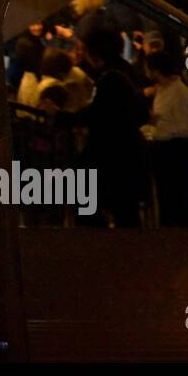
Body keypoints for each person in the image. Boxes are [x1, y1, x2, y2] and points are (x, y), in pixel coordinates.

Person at [40, 26, 150, 227]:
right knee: (126, 213)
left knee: (113, 210)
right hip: (127, 154)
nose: (81, 54)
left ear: (96, 54)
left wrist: (60, 116)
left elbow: (96, 114)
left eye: (85, 50)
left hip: (115, 156)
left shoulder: (111, 78)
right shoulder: (124, 72)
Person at [141, 50, 188, 227]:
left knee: (173, 192)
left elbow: (175, 122)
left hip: (174, 150)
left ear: (156, 71)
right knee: (170, 192)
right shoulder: (165, 88)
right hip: (169, 148)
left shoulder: (177, 93)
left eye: (148, 69)